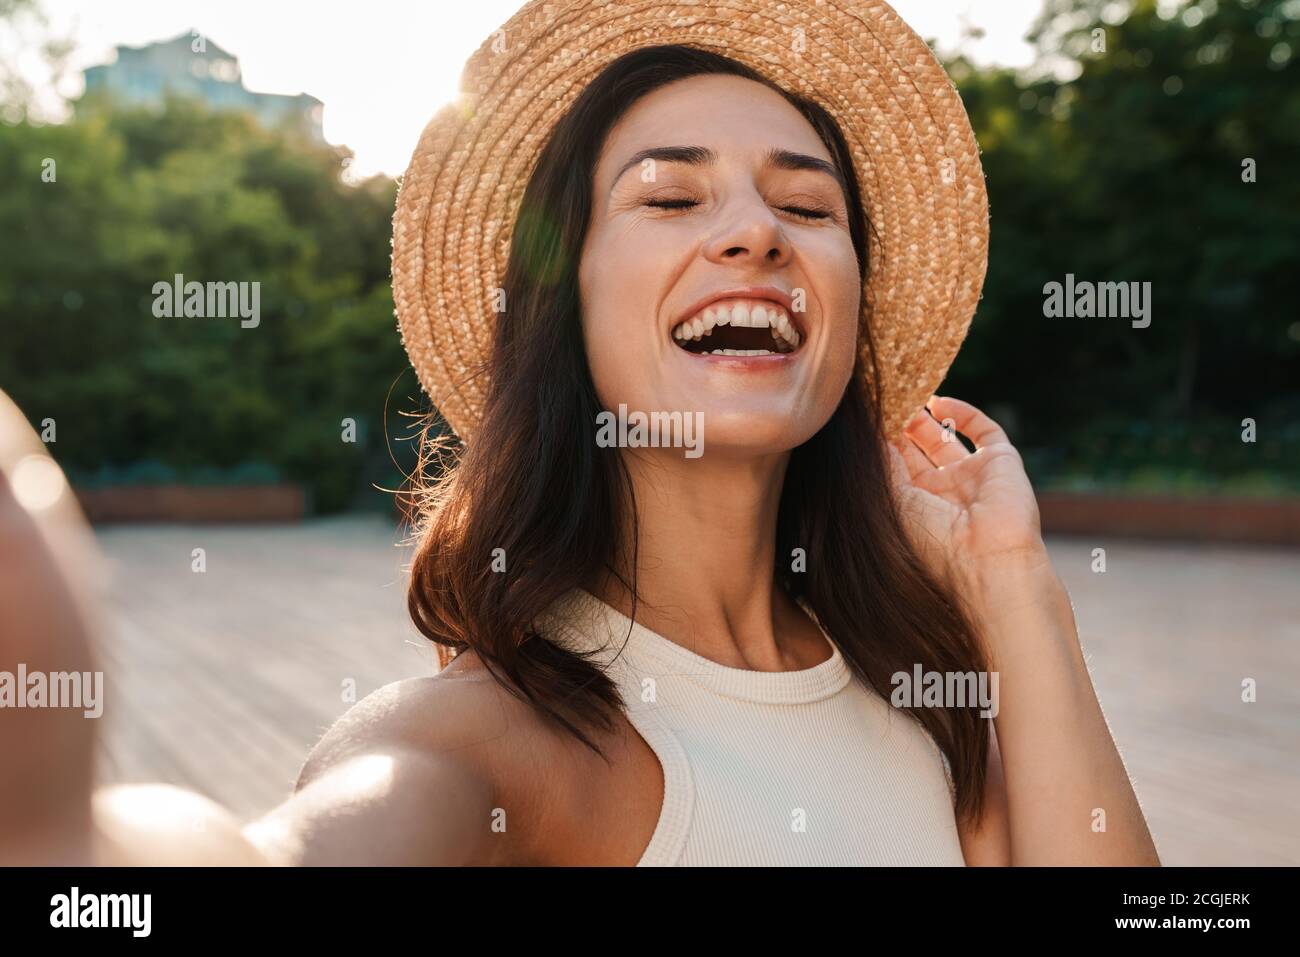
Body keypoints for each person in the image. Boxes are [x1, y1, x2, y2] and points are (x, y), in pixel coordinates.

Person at [0, 0, 1158, 866]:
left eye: (807, 206)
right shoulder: (490, 737)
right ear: (568, 309)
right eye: (670, 197)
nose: (757, 232)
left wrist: (1013, 589)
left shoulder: (931, 696)